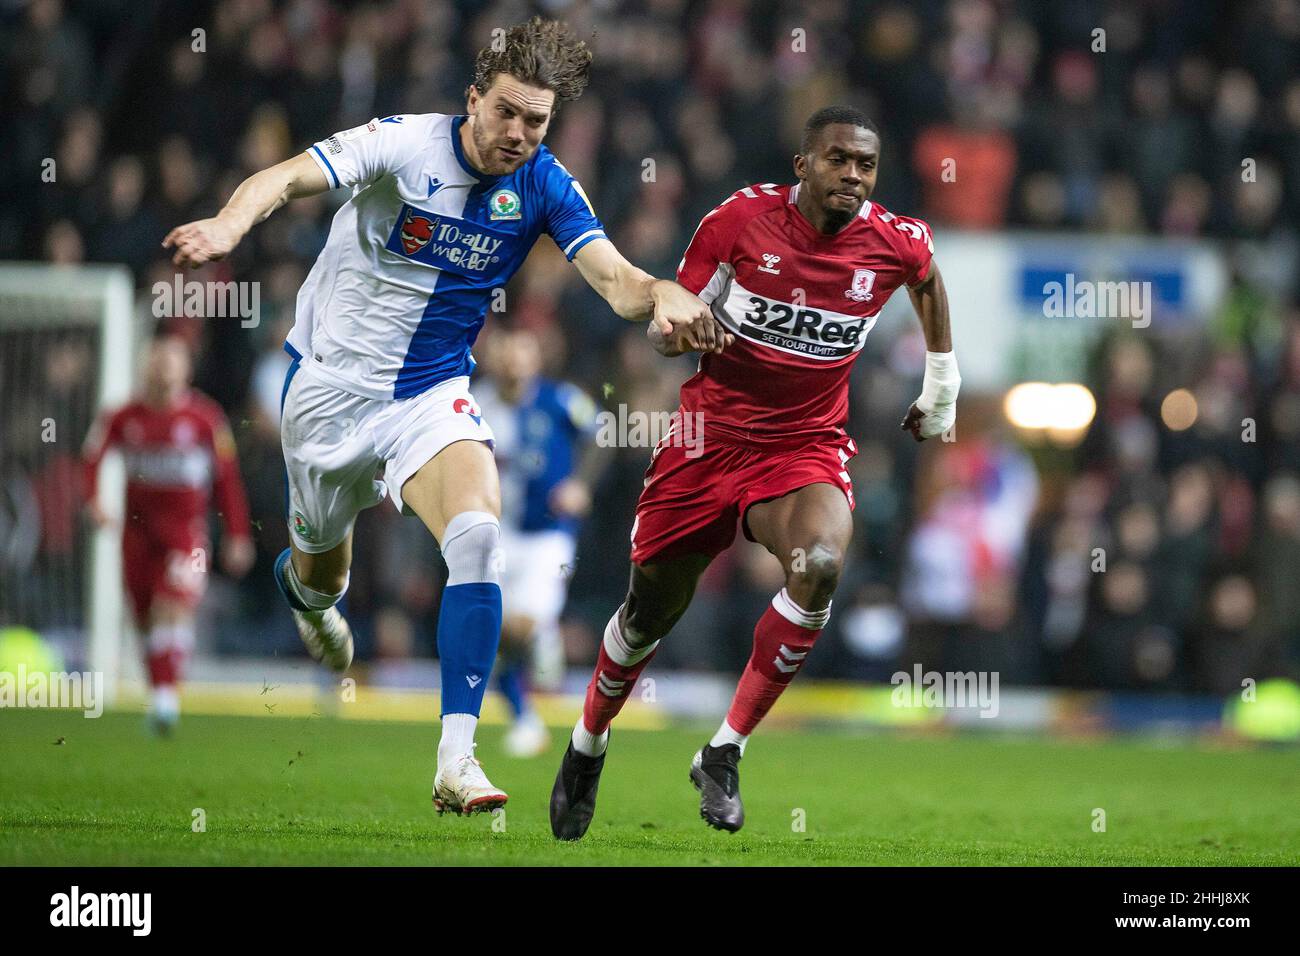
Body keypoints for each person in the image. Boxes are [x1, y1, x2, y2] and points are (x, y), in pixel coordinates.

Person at [162, 17, 710, 815]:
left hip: (429, 397)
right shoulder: (401, 144)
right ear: (472, 100)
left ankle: (457, 761)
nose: (519, 133)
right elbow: (282, 178)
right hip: (325, 394)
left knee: (476, 536)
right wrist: (227, 225)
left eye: (537, 121)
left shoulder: (548, 185)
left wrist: (663, 296)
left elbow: (619, 281)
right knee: (326, 574)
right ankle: (308, 594)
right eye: (507, 113)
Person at [549, 106, 961, 838]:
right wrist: (680, 333)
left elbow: (927, 278)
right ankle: (588, 741)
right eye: (838, 160)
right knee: (649, 616)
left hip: (804, 448)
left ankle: (725, 749)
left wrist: (942, 380)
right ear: (803, 166)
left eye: (865, 165)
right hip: (707, 443)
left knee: (822, 561)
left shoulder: (893, 242)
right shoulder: (738, 221)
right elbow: (666, 317)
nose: (853, 176)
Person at [83, 334, 255, 733]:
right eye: (157, 358)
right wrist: (94, 501)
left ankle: (164, 698)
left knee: (170, 607)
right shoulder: (123, 416)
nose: (163, 367)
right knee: (144, 619)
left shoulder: (205, 419)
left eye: (172, 360)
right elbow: (91, 460)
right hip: (137, 535)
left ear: (186, 369)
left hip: (186, 536)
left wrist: (237, 533)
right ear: (145, 364)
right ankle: (166, 679)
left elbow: (228, 481)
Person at [475, 325, 606, 757]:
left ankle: (543, 633)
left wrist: (580, 484)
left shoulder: (561, 399)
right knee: (491, 633)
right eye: (507, 352)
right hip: (495, 532)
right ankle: (524, 718)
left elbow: (602, 436)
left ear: (536, 358)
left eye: (522, 351)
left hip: (548, 536)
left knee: (519, 626)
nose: (514, 361)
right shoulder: (477, 403)